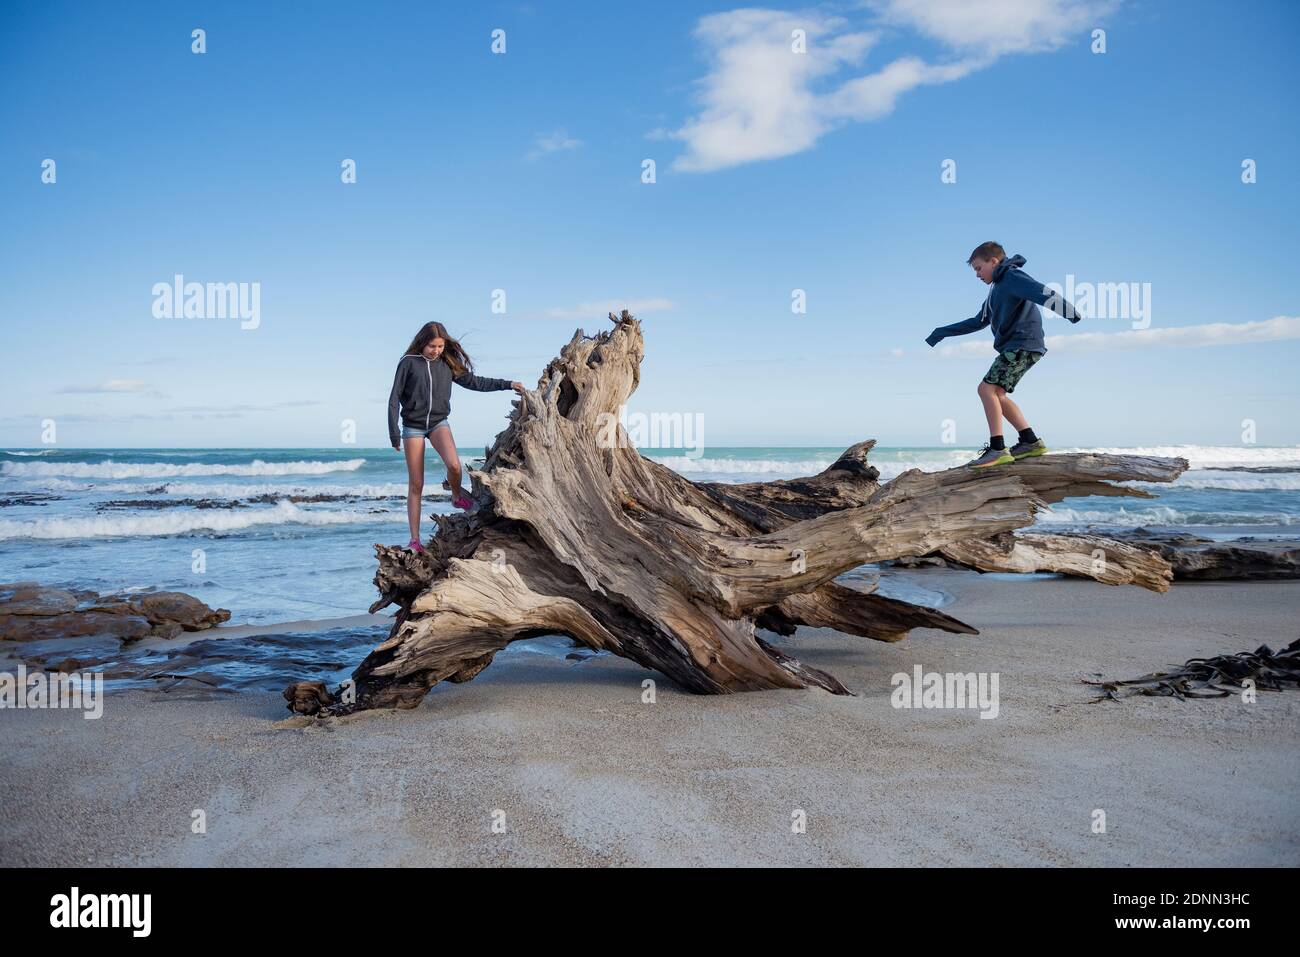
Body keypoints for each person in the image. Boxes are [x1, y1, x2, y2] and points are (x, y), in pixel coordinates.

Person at [925, 241, 1084, 467]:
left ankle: (998, 448)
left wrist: (1070, 312)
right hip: (1020, 346)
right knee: (997, 394)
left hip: (1022, 343)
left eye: (979, 268)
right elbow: (977, 321)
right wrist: (941, 332)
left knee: (985, 389)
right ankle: (1030, 442)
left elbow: (1041, 292)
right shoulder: (995, 291)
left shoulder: (1012, 277)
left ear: (994, 261)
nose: (977, 275)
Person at [387, 321, 523, 550]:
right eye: (432, 346)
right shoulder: (408, 363)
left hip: (439, 423)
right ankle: (414, 541)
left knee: (455, 466)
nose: (437, 350)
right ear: (422, 343)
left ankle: (457, 496)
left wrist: (507, 384)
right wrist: (394, 433)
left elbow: (475, 382)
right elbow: (394, 398)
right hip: (413, 427)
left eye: (440, 346)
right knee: (416, 484)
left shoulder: (447, 363)